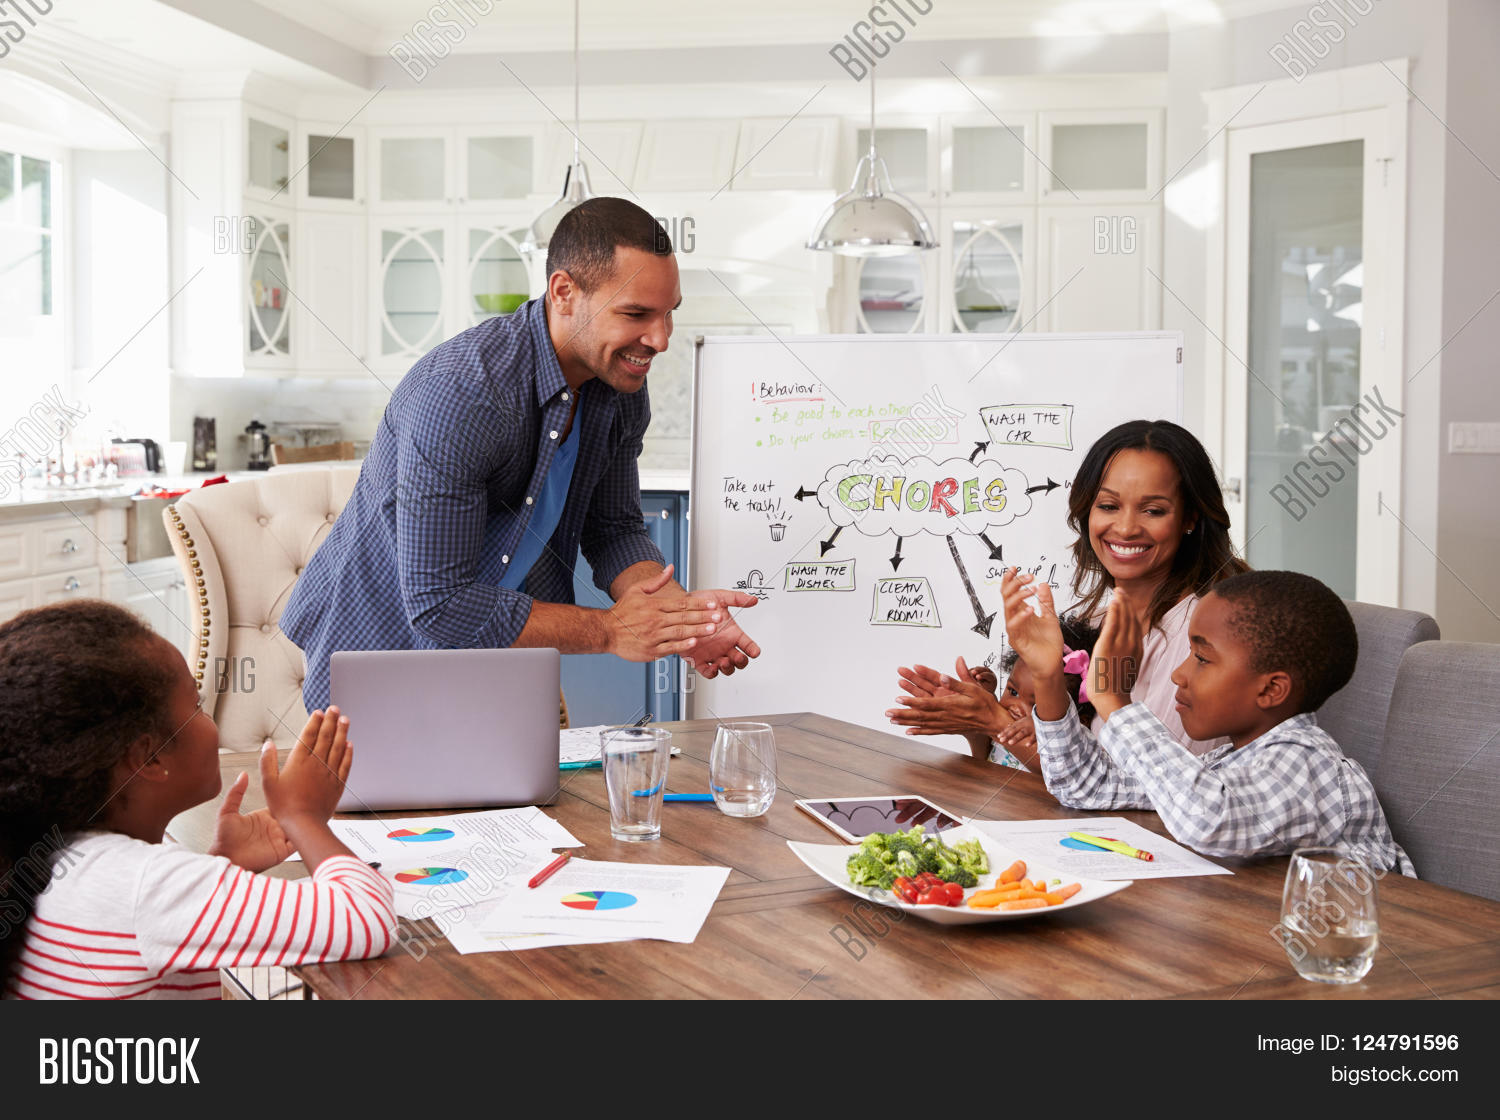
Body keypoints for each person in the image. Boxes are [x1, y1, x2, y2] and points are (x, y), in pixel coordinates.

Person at [280, 197, 759, 714]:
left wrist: (683, 622)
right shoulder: (462, 395)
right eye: (635, 314)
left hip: (496, 657)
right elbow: (439, 605)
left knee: (543, 773)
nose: (660, 339)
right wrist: (609, 630)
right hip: (382, 653)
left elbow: (614, 531)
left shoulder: (617, 387)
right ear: (564, 292)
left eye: (668, 314)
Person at [0, 601, 398, 999]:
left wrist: (220, 864)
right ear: (149, 758)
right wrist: (301, 816)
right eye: (198, 705)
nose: (209, 720)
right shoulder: (145, 884)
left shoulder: (51, 855)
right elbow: (367, 920)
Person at [1003, 566, 1414, 874]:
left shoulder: (1311, 766)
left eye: (1201, 658)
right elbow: (1086, 786)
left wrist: (1114, 700)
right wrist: (1048, 677)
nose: (1179, 674)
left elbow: (1210, 820)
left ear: (1271, 690)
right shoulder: (1227, 765)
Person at [888, 418, 1248, 768]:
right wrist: (979, 717)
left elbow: (1153, 788)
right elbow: (1071, 766)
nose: (1125, 528)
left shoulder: (1198, 636)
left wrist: (994, 721)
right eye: (1108, 506)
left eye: (1153, 510)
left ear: (1190, 518)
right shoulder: (1096, 622)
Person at [955, 616, 1099, 768]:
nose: (1016, 707)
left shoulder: (1061, 756)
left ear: (1079, 722)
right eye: (1013, 692)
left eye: (1037, 705)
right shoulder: (1005, 726)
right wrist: (986, 699)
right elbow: (984, 764)